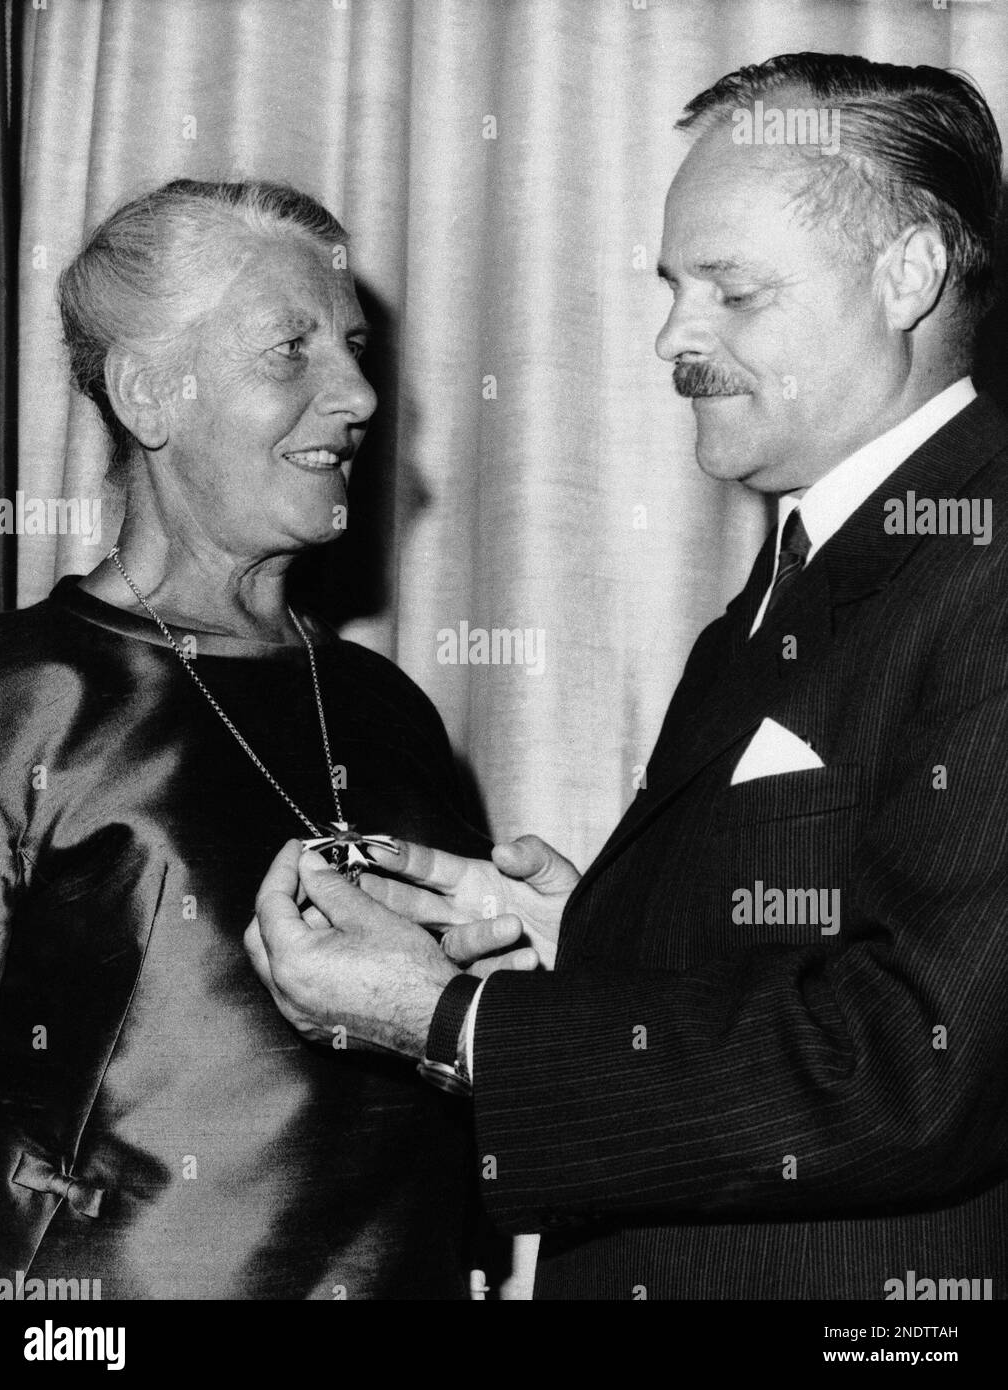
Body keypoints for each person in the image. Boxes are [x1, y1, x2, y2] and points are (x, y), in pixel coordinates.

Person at [246, 54, 1008, 1300]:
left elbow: (912, 1066)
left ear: (907, 275)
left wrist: (452, 1021)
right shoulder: (790, 585)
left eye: (732, 291)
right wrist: (587, 945)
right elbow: (814, 953)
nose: (672, 338)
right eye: (671, 287)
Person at [0, 178, 531, 1301]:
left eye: (356, 348)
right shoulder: (14, 698)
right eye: (292, 349)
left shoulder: (384, 704)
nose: (361, 393)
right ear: (147, 393)